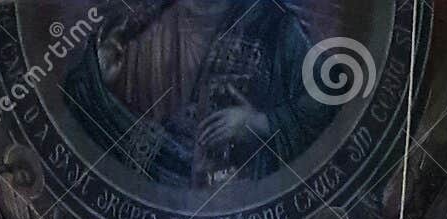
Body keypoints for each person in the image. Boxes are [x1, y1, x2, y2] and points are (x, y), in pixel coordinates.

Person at [63, 1, 330, 188]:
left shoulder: (272, 25)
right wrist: (99, 74)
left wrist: (259, 123)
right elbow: (82, 107)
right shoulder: (139, 27)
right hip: (155, 207)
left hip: (235, 195)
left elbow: (325, 104)